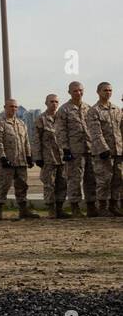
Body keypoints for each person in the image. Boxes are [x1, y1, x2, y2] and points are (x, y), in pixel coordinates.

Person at [0, 97, 38, 219]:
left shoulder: (21, 124)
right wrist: (2, 158)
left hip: (21, 161)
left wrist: (29, 156)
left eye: (15, 107)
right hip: (7, 162)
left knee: (22, 186)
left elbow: (26, 141)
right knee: (3, 185)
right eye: (11, 106)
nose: (13, 109)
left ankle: (23, 211)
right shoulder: (0, 123)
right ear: (5, 107)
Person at [84, 82, 122, 217]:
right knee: (103, 180)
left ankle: (114, 206)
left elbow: (121, 130)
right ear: (98, 92)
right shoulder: (94, 111)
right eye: (105, 90)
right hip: (102, 153)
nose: (108, 92)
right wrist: (103, 148)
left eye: (110, 90)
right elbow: (95, 132)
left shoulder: (116, 110)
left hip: (118, 151)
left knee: (118, 179)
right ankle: (102, 207)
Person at [55, 81, 93, 217]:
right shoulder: (64, 109)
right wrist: (65, 149)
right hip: (73, 151)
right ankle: (75, 207)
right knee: (74, 179)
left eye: (80, 90)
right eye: (75, 91)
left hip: (90, 149)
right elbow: (60, 131)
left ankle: (91, 206)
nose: (78, 93)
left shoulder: (88, 108)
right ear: (69, 92)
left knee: (91, 179)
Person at [30, 93, 66, 218]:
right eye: (51, 101)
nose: (54, 104)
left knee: (62, 184)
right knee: (49, 184)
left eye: (56, 102)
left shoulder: (62, 117)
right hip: (48, 158)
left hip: (63, 157)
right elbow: (36, 139)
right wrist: (38, 157)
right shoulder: (41, 119)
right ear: (46, 103)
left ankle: (60, 209)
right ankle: (51, 209)